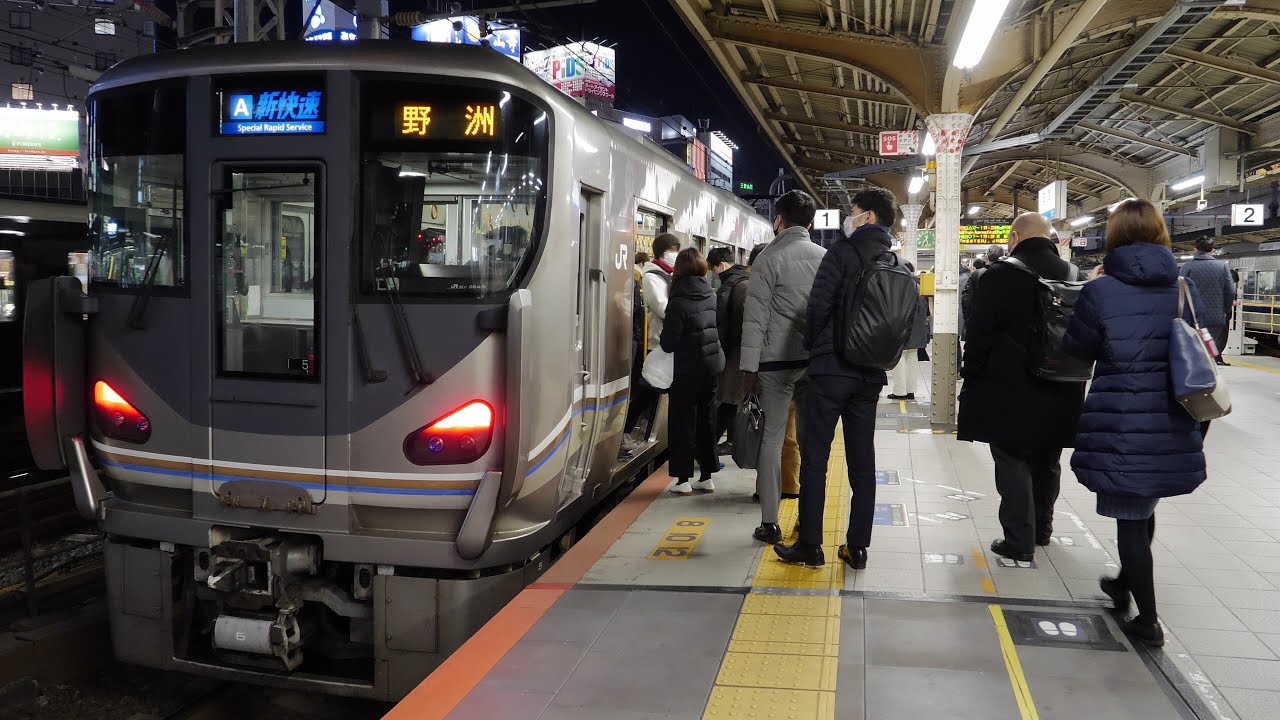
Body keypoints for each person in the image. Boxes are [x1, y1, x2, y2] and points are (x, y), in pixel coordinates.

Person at [1062, 199, 1209, 647]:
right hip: (1175, 413)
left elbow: (1077, 350)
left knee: (1129, 516)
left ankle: (1147, 621)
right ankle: (1125, 582)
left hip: (1122, 416)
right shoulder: (1182, 287)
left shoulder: (1101, 290)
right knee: (1144, 506)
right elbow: (1206, 344)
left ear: (1114, 237)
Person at [774, 188, 899, 569]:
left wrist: (818, 348)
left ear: (869, 217)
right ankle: (857, 547)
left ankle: (811, 546)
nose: (851, 216)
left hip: (831, 370)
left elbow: (818, 307)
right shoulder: (894, 261)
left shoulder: (842, 252)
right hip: (869, 376)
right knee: (863, 462)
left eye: (856, 211)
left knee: (816, 458)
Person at [957, 212, 1086, 563]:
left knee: (1012, 457)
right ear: (1051, 239)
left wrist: (971, 376)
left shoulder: (998, 276)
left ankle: (1018, 538)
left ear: (1014, 237)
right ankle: (1043, 529)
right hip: (1063, 384)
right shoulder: (1074, 276)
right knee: (1048, 459)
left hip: (1010, 386)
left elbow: (979, 334)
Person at [740, 191, 826, 544]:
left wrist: (748, 368)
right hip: (813, 360)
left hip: (774, 363)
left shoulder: (768, 259)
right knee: (811, 443)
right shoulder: (824, 257)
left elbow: (756, 318)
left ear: (779, 219)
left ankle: (770, 522)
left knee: (773, 439)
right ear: (809, 222)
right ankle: (808, 520)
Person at [660, 248, 725, 494]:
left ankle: (683, 480)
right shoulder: (711, 295)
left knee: (682, 422)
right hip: (711, 367)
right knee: (707, 420)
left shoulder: (678, 301)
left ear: (679, 270)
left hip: (685, 371)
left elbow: (668, 342)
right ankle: (707, 476)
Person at [708, 246, 750, 453]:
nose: (713, 274)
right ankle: (726, 443)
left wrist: (725, 344)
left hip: (735, 352)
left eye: (713, 269)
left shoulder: (737, 285)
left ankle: (714, 447)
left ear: (721, 265)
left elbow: (736, 322)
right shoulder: (738, 282)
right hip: (732, 351)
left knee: (728, 399)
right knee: (730, 399)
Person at [1179, 236, 1235, 366]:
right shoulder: (1222, 267)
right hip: (1215, 318)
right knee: (1208, 352)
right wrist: (1224, 310)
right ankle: (1208, 375)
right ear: (1212, 250)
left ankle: (1194, 379)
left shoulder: (1187, 267)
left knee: (1192, 352)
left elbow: (1179, 292)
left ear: (1195, 250)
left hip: (1191, 319)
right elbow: (1230, 291)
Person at [887, 261, 930, 401]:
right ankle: (911, 390)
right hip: (918, 328)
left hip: (903, 329)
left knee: (899, 359)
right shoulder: (920, 285)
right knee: (912, 359)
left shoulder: (900, 286)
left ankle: (900, 391)